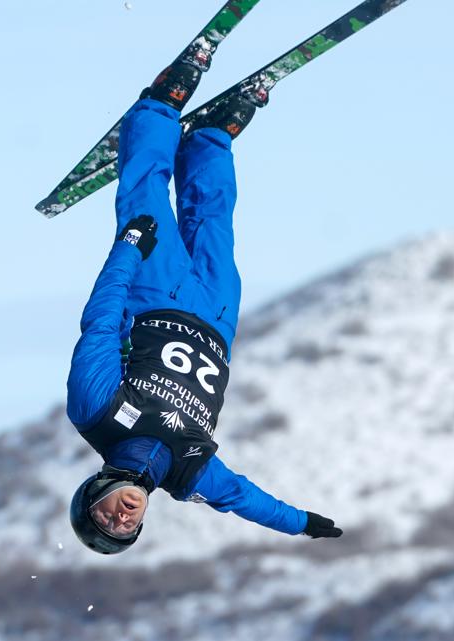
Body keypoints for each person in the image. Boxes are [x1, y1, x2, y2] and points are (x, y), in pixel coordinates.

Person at [65, 52, 343, 554]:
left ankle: (159, 108)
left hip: (156, 296)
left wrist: (128, 249)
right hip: (217, 317)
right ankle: (213, 140)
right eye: (126, 530)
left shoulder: (95, 414)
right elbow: (240, 497)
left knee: (144, 198)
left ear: (93, 495)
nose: (122, 519)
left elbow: (100, 325)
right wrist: (300, 523)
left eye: (106, 519)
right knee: (214, 220)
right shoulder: (187, 471)